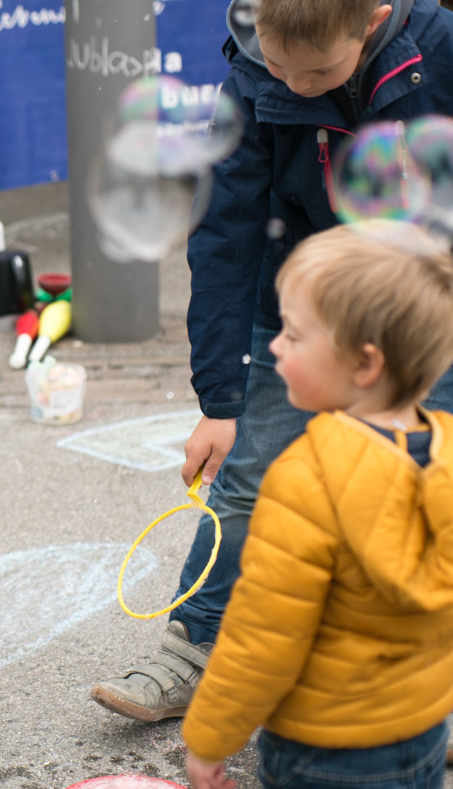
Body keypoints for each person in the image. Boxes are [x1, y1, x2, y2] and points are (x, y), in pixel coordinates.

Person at [90, 0, 453, 721]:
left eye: (315, 74)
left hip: (428, 311)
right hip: (296, 306)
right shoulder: (258, 70)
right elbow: (227, 233)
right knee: (249, 477)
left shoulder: (443, 54)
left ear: (374, 23)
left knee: (431, 484)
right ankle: (194, 648)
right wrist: (220, 400)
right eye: (279, 64)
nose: (292, 85)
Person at [183, 222, 453, 789]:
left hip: (325, 747)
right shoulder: (447, 450)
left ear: (365, 364)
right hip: (424, 728)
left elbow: (263, 637)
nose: (274, 345)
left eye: (295, 335)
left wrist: (210, 740)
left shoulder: (307, 478)